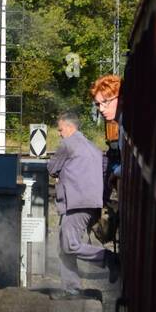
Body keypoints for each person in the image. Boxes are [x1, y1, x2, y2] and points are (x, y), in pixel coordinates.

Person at [47, 110, 106, 299]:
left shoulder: (67, 144)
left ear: (70, 127)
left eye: (60, 129)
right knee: (63, 247)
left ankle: (109, 259)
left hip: (75, 203)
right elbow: (103, 168)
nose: (59, 133)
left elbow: (52, 168)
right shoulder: (93, 147)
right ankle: (71, 288)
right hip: (91, 203)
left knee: (70, 245)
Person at [90, 74, 122, 246]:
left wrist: (116, 172)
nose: (101, 109)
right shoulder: (116, 122)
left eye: (105, 102)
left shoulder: (123, 125)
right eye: (97, 104)